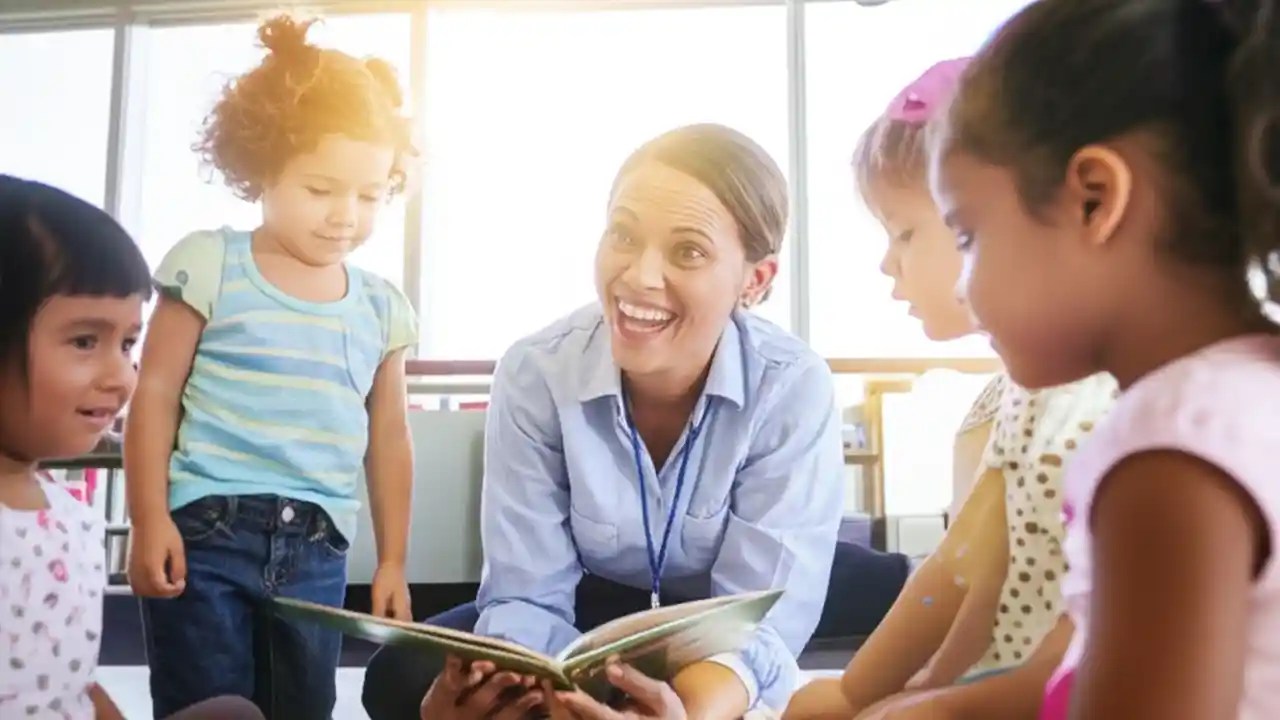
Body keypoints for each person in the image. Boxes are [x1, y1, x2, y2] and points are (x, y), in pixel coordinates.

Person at [361, 123, 911, 719]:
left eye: (688, 251)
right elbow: (527, 596)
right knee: (403, 677)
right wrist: (517, 696)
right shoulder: (537, 372)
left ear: (755, 281)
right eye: (623, 235)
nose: (640, 277)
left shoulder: (791, 384)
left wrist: (690, 712)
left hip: (724, 611)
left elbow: (762, 625)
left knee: (895, 632)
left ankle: (913, 575)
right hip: (599, 597)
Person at [928, 0, 1280, 717]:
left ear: (1094, 200)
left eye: (967, 236)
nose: (963, 288)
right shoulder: (1247, 393)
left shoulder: (1172, 442)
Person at [783, 58, 1116, 720]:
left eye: (907, 232)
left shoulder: (1098, 403)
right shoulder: (1014, 395)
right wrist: (889, 690)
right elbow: (969, 572)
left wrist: (925, 702)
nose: (887, 261)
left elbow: (1084, 642)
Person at [123, 14, 419, 720]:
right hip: (205, 536)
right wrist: (146, 519)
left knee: (302, 709)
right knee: (211, 707)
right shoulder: (209, 263)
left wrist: (393, 561)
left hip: (317, 550)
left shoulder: (383, 307)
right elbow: (155, 396)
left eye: (369, 195)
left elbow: (391, 439)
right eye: (321, 188)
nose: (345, 214)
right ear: (263, 166)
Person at [0, 175, 265, 720]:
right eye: (83, 341)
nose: (121, 376)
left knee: (234, 713)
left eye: (126, 343)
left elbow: (69, 679)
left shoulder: (68, 514)